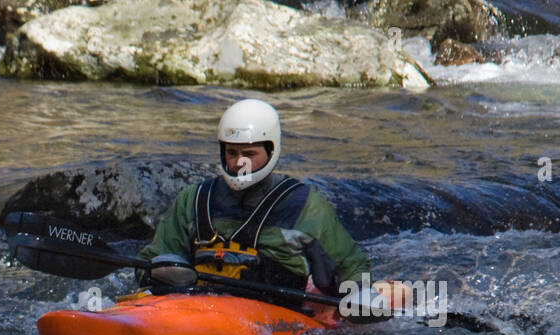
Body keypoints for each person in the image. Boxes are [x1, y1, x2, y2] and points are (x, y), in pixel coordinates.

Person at [140, 98, 404, 311]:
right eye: (232, 153)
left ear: (270, 151)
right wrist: (154, 274)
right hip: (195, 309)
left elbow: (350, 264)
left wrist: (359, 293)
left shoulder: (304, 205)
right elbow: (152, 258)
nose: (238, 163)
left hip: (274, 317)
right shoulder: (194, 199)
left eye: (249, 154)